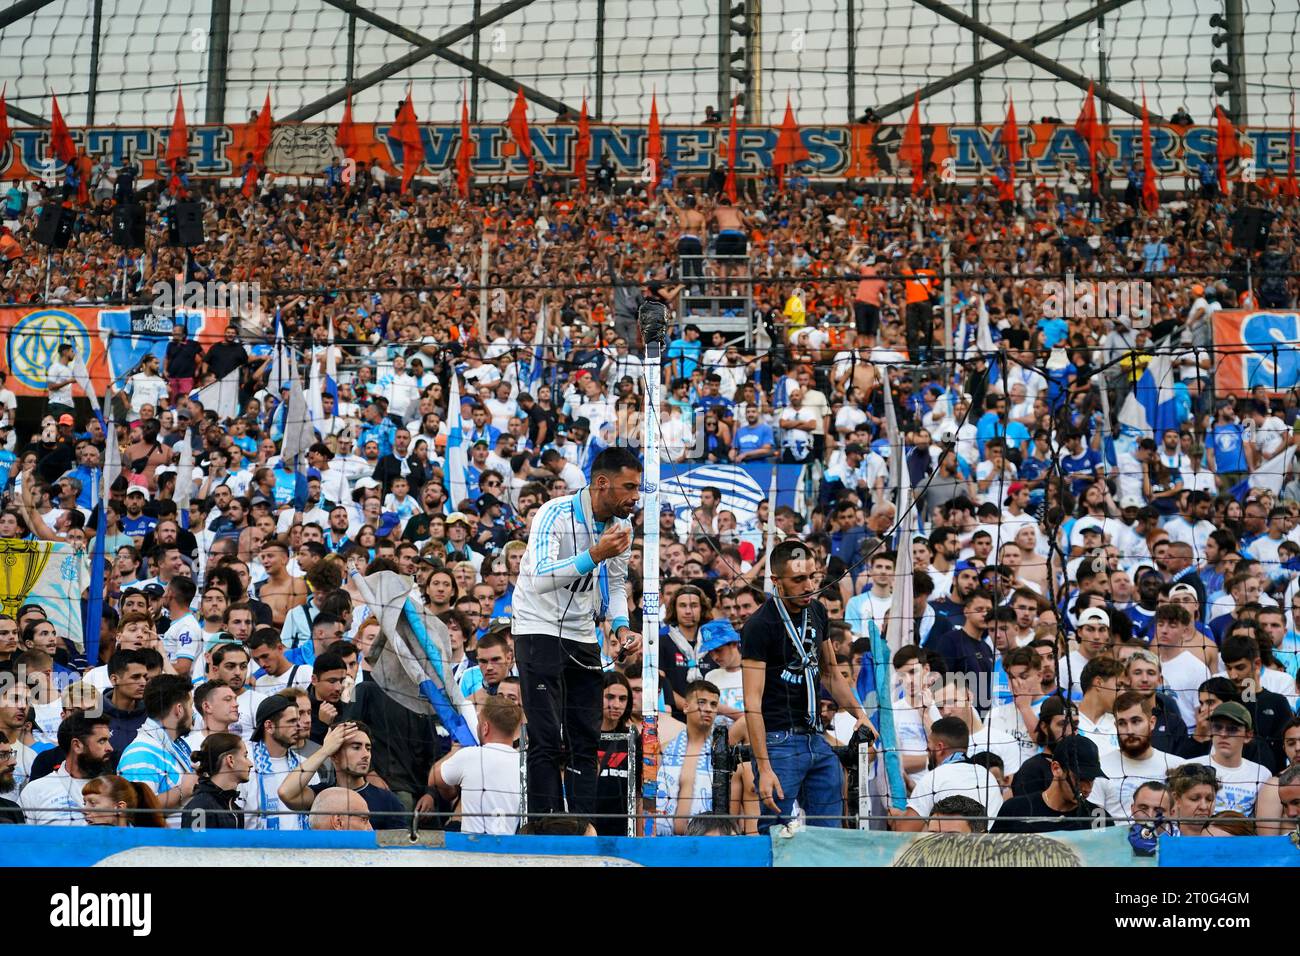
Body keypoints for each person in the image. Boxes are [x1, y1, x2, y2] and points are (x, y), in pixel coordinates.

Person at [512, 447, 643, 821]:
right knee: (546, 736)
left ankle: (582, 825)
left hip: (583, 633)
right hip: (536, 627)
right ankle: (544, 824)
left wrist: (621, 626)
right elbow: (539, 580)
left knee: (586, 736)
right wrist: (594, 554)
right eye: (628, 487)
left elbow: (616, 584)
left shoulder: (624, 525)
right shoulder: (554, 513)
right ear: (602, 484)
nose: (635, 497)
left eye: (638, 488)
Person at [743, 539, 868, 833]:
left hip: (817, 739)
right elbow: (751, 702)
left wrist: (860, 714)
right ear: (776, 581)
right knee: (777, 835)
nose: (809, 585)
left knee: (828, 835)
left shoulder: (818, 612)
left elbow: (831, 675)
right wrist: (765, 767)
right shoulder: (759, 626)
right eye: (798, 579)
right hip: (778, 743)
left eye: (813, 576)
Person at [277, 720, 407, 829]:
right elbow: (285, 792)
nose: (366, 754)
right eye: (356, 747)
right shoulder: (322, 795)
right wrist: (325, 750)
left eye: (368, 748)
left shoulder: (388, 800)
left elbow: (399, 851)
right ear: (334, 755)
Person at [430, 694, 523, 835]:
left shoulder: (470, 755)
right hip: (509, 850)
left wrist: (455, 750)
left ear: (485, 727)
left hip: (472, 849)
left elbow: (433, 778)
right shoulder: (524, 765)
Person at [1090, 691, 1186, 822]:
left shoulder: (1177, 766)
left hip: (1166, 840)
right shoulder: (1100, 767)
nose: (1129, 730)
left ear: (1152, 723)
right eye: (1122, 723)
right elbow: (1097, 827)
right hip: (1115, 841)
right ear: (1115, 727)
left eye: (1136, 721)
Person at [894, 716, 1004, 830]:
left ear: (940, 748)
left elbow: (904, 831)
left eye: (929, 746)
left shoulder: (934, 778)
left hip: (952, 846)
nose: (927, 751)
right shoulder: (987, 775)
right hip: (988, 844)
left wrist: (895, 816)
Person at [116, 674, 197, 826]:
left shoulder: (174, 746)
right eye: (190, 705)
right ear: (179, 710)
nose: (193, 713)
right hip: (159, 847)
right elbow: (138, 811)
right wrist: (183, 790)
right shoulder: (140, 752)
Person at [992, 735, 1112, 833]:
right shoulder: (1016, 810)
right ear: (1056, 768)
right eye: (1080, 778)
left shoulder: (1099, 818)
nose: (1087, 788)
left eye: (1092, 779)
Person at [19, 714, 114, 825]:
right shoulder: (36, 790)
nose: (110, 748)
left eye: (108, 740)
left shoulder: (115, 789)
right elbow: (19, 839)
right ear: (77, 746)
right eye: (102, 741)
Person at [181, 732, 251, 829]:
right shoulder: (200, 807)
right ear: (230, 760)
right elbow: (195, 843)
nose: (250, 763)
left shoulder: (235, 809)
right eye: (245, 756)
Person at [80, 774, 166, 827]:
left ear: (119, 808)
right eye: (85, 803)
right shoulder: (79, 842)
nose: (84, 810)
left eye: (93, 803)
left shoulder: (145, 844)